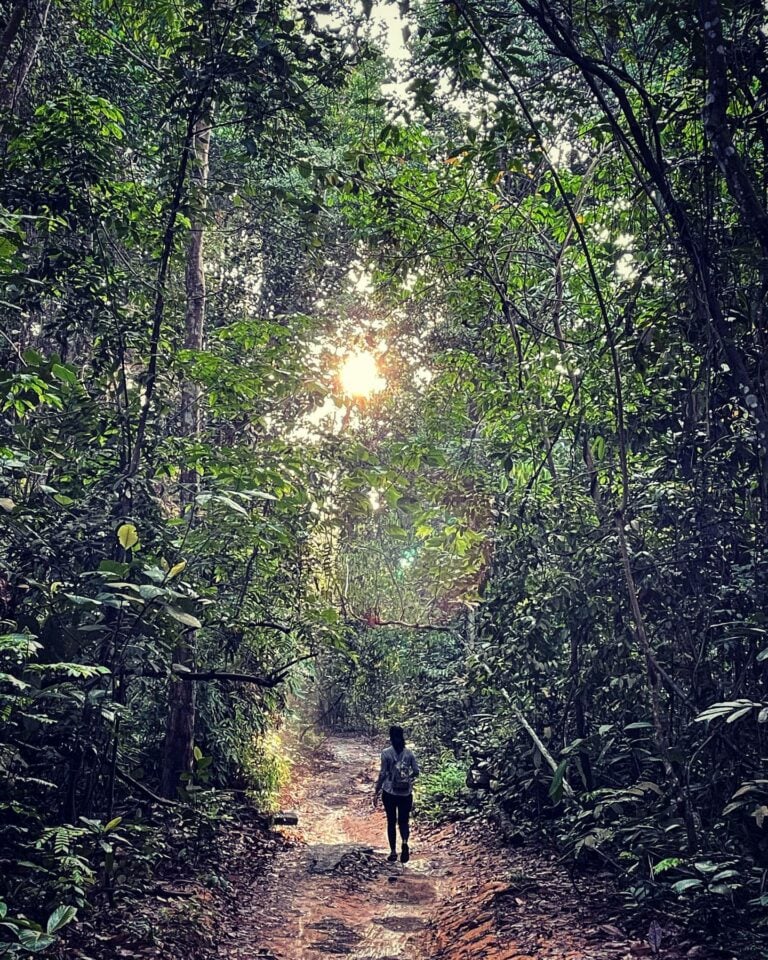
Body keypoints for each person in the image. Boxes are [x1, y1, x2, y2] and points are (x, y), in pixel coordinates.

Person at [373, 725, 420, 863]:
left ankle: (393, 851)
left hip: (389, 792)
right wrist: (407, 779)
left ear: (391, 737)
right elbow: (416, 771)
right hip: (406, 794)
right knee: (404, 821)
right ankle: (404, 842)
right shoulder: (409, 753)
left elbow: (382, 773)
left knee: (391, 821)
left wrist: (377, 790)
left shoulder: (386, 753)